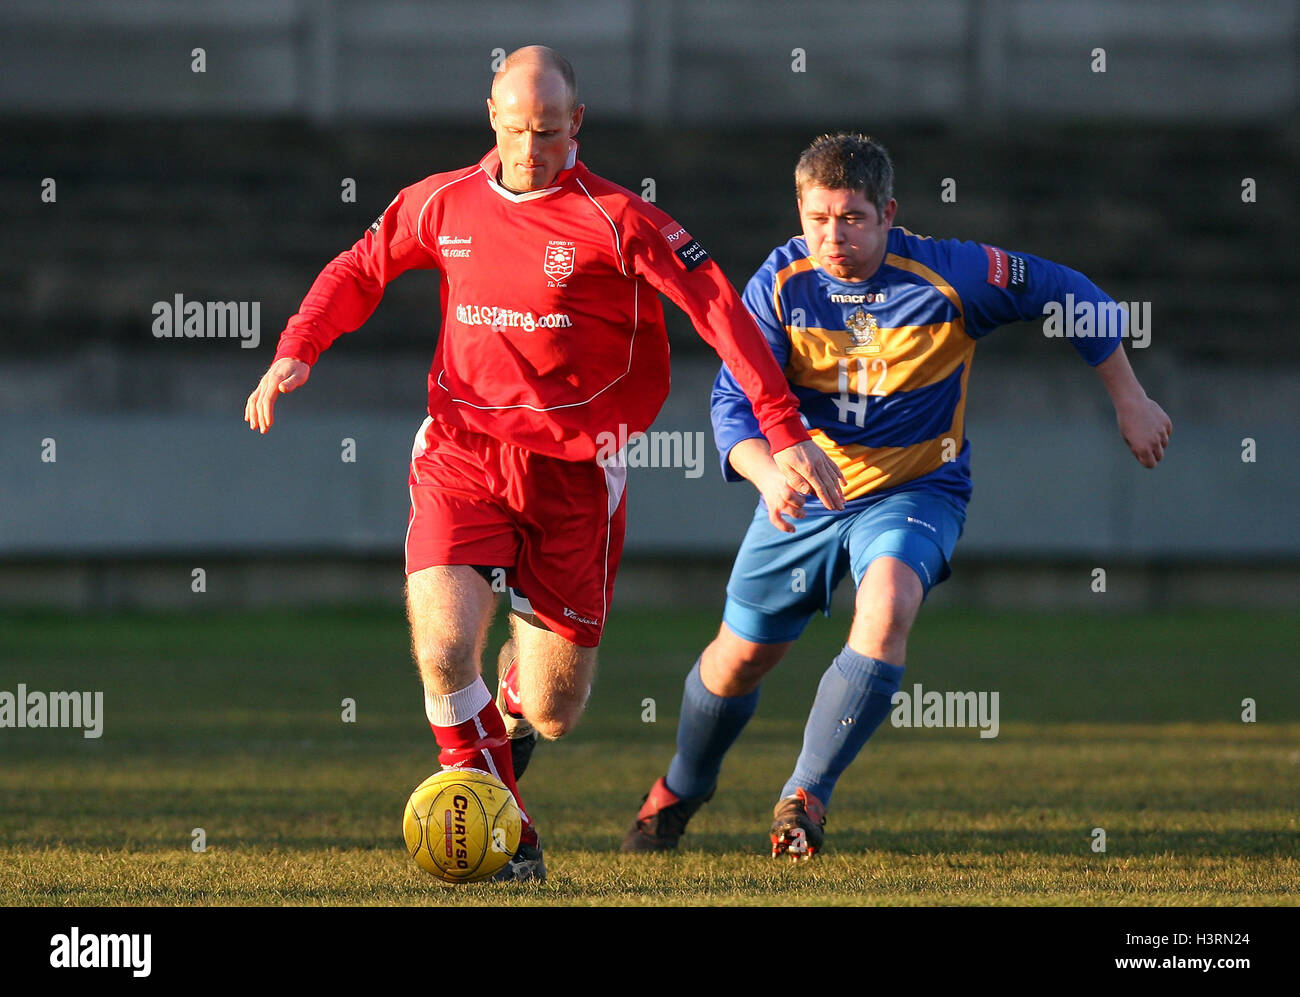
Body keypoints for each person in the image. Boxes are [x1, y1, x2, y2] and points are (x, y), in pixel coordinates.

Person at [243, 47, 844, 881]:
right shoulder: (442, 201)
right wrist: (297, 348)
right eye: (519, 130)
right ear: (492, 115)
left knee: (557, 710)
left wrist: (782, 427)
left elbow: (717, 310)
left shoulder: (620, 218)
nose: (532, 150)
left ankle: (515, 708)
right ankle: (510, 831)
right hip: (461, 452)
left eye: (550, 133)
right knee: (447, 649)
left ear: (578, 125)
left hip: (576, 473)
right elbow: (360, 266)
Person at [622, 132, 1172, 859]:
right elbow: (733, 401)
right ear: (799, 211)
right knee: (738, 657)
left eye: (851, 217)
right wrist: (767, 470)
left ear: (889, 213)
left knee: (885, 611)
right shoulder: (779, 283)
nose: (832, 234)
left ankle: (805, 797)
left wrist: (1129, 398)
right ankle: (680, 789)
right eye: (817, 217)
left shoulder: (952, 275)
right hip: (805, 492)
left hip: (915, 487)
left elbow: (1068, 292)